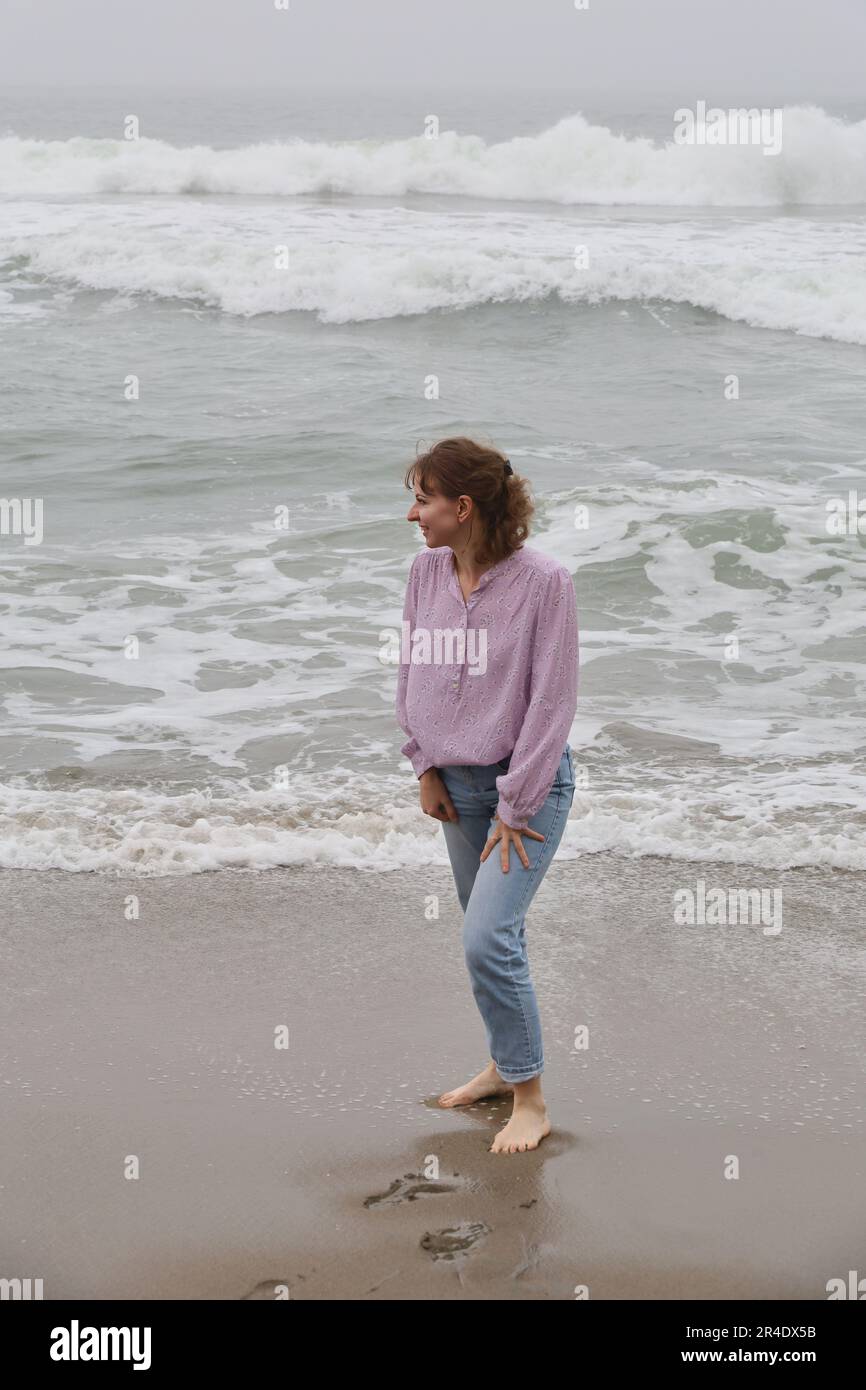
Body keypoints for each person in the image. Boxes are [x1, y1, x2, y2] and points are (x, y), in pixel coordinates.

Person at [396, 436, 578, 1154]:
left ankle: (530, 1099)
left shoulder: (544, 584)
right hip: (456, 788)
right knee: (495, 937)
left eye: (423, 499)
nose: (413, 515)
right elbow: (411, 670)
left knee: (487, 940)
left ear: (463, 506)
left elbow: (551, 702)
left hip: (523, 792)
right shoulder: (425, 574)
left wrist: (516, 804)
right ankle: (504, 1070)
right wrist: (423, 766)